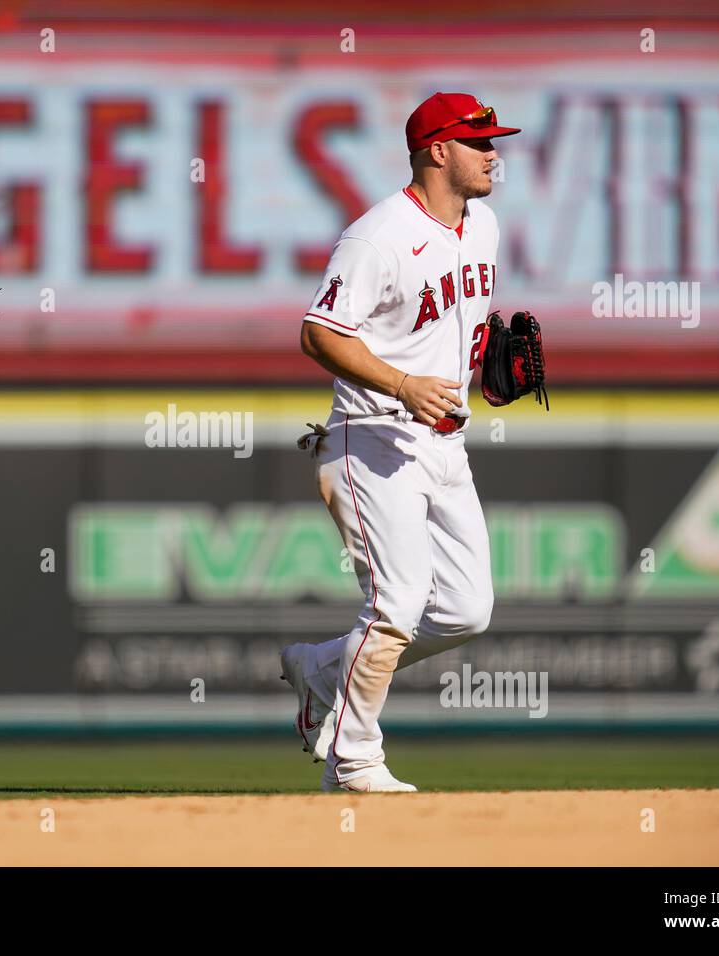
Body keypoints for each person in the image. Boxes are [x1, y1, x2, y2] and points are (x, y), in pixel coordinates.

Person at [282, 93, 522, 792]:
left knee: (466, 609)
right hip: (371, 437)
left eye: (493, 140)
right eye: (479, 142)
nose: (493, 153)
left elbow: (454, 331)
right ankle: (352, 762)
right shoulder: (377, 235)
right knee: (398, 602)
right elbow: (318, 333)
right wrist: (401, 385)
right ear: (437, 150)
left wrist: (483, 370)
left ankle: (323, 668)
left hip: (448, 445)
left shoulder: (486, 229)